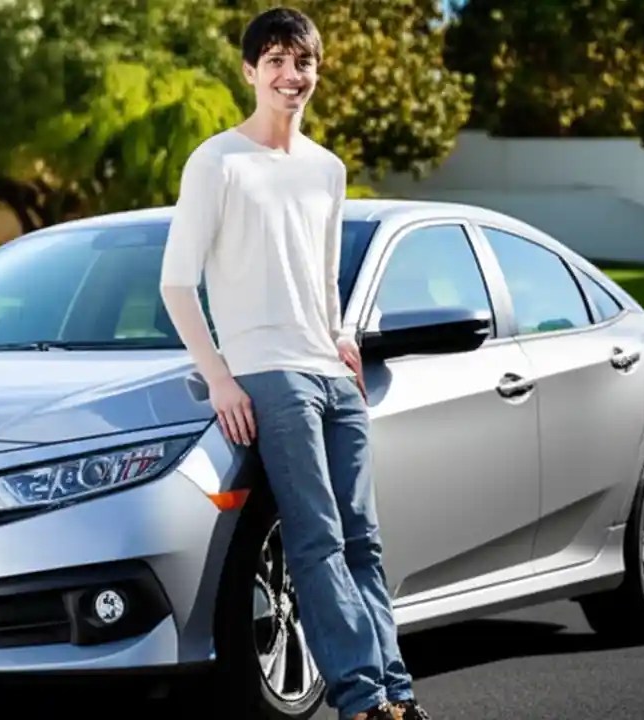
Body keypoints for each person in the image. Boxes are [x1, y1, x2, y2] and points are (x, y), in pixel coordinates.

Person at [158, 6, 431, 720]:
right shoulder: (216, 162)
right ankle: (360, 699)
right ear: (249, 72)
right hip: (269, 373)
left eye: (302, 61)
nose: (291, 75)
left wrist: (343, 336)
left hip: (332, 374)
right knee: (316, 537)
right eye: (275, 61)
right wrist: (220, 377)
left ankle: (396, 695)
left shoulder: (327, 170)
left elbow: (322, 273)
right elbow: (176, 282)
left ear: (317, 71)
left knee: (364, 541)